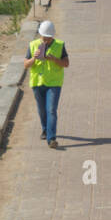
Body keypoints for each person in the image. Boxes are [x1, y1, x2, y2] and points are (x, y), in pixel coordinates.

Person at [24, 19, 70, 148]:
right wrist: (34, 57)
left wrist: (54, 59)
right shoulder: (33, 45)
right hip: (37, 83)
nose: (46, 41)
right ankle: (45, 129)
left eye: (48, 38)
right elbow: (26, 64)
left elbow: (66, 64)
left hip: (54, 83)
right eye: (44, 38)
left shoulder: (60, 45)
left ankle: (51, 138)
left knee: (51, 110)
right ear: (40, 35)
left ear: (52, 36)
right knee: (42, 110)